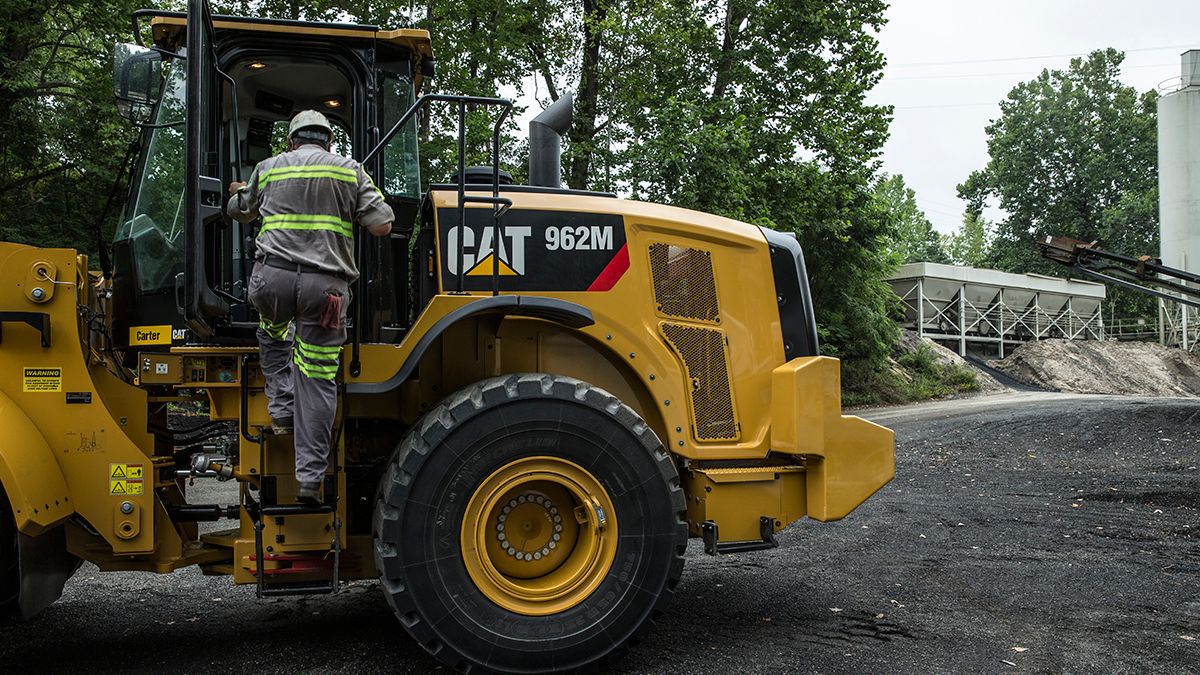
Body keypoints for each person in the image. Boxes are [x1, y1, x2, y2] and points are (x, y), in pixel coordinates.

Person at [227, 110, 393, 504]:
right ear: (329, 142)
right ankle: (308, 480)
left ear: (291, 141)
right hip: (326, 292)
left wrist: (241, 192)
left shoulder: (267, 169)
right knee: (317, 377)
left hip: (273, 284)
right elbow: (383, 224)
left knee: (272, 334)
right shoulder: (349, 171)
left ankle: (281, 409)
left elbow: (240, 210)